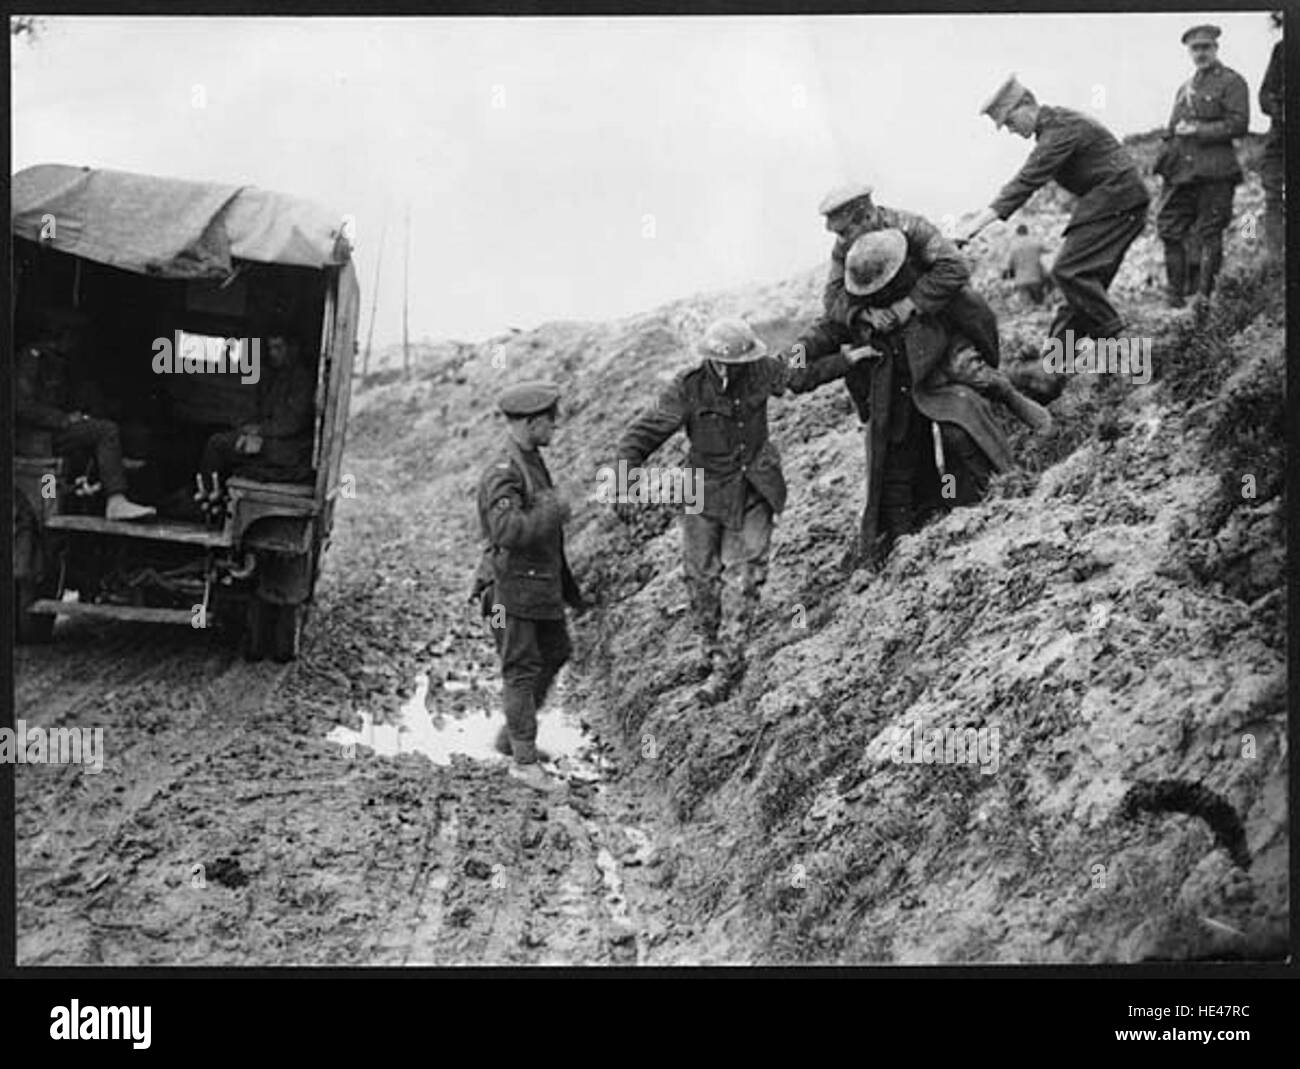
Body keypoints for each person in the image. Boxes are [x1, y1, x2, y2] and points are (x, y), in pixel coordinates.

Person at [613, 317, 867, 703]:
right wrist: (623, 482)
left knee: (746, 574)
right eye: (725, 363)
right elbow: (641, 436)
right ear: (711, 360)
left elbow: (799, 378)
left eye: (740, 363)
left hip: (754, 484)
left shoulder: (761, 370)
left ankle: (728, 667)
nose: (733, 370)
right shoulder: (688, 388)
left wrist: (847, 361)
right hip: (700, 486)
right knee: (700, 575)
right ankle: (710, 648)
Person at [797, 230, 1016, 568]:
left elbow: (980, 322)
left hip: (940, 389)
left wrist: (981, 373)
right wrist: (819, 358)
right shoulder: (852, 314)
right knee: (896, 475)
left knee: (961, 440)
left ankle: (966, 515)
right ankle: (904, 543)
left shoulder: (933, 296)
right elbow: (803, 354)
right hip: (891, 402)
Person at [957, 75, 1149, 354]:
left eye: (1009, 122)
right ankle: (1055, 360)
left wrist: (970, 228)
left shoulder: (1060, 130)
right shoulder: (1055, 127)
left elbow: (1024, 182)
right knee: (1080, 283)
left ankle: (1123, 346)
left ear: (1026, 105)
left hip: (1117, 199)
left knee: (1069, 272)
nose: (1010, 130)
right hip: (1115, 201)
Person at [472, 382, 585, 793]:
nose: (556, 425)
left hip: (536, 588)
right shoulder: (504, 471)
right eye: (550, 420)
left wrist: (571, 593)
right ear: (532, 422)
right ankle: (523, 761)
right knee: (520, 671)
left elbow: (544, 534)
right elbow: (507, 530)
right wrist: (555, 508)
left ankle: (513, 736)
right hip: (510, 593)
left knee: (557, 651)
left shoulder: (531, 460)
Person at [15, 322, 156, 522]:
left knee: (99, 428)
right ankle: (115, 500)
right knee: (106, 431)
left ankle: (110, 468)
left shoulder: (60, 362)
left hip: (50, 438)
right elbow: (21, 407)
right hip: (38, 441)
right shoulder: (33, 358)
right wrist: (64, 420)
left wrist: (80, 416)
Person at [1154, 24, 1250, 307]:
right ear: (1189, 52)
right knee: (1169, 227)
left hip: (1215, 171)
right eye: (1195, 49)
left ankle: (1204, 298)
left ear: (1216, 48)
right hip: (1182, 174)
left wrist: (1198, 130)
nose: (1201, 53)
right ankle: (1174, 296)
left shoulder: (1232, 82)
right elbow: (1173, 129)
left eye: (1206, 47)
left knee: (1210, 232)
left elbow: (1239, 124)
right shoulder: (1185, 88)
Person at [199, 334, 317, 484]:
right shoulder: (277, 376)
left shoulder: (302, 379)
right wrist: (246, 426)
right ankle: (213, 493)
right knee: (221, 438)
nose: (272, 353)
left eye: (278, 348)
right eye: (270, 348)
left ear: (293, 349)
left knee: (216, 444)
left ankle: (208, 491)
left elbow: (294, 423)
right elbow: (263, 411)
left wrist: (259, 432)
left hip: (288, 449)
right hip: (273, 441)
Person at [1259, 12, 1285, 266]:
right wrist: (1282, 112)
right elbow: (1265, 95)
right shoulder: (1282, 50)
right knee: (1272, 200)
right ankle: (1275, 263)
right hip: (1280, 140)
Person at [1005, 224, 1049, 306]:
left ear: (1017, 233)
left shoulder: (1013, 247)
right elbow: (1049, 251)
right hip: (1036, 278)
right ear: (1027, 232)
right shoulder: (1035, 243)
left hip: (1021, 281)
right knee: (1040, 305)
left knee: (1027, 309)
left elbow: (1010, 265)